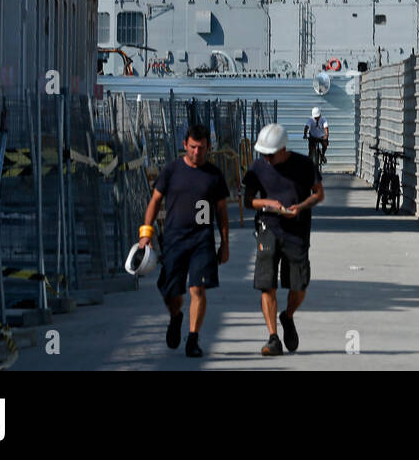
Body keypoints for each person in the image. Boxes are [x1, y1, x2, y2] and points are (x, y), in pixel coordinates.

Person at [139, 124, 229, 358]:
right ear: (184, 145)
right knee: (170, 291)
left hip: (202, 240)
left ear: (209, 147)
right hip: (174, 239)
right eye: (192, 147)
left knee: (198, 289)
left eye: (201, 147)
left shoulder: (214, 175)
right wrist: (146, 233)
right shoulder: (171, 170)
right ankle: (176, 316)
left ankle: (193, 339)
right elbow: (155, 201)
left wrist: (225, 243)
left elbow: (221, 211)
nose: (197, 152)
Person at [243, 124, 324, 356]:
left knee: (299, 285)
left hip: (297, 232)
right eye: (264, 154)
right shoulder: (258, 168)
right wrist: (267, 203)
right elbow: (248, 201)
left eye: (270, 154)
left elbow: (319, 193)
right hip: (268, 228)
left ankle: (287, 316)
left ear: (283, 149)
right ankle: (273, 338)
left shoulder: (304, 165)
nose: (267, 158)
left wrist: (301, 207)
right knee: (266, 284)